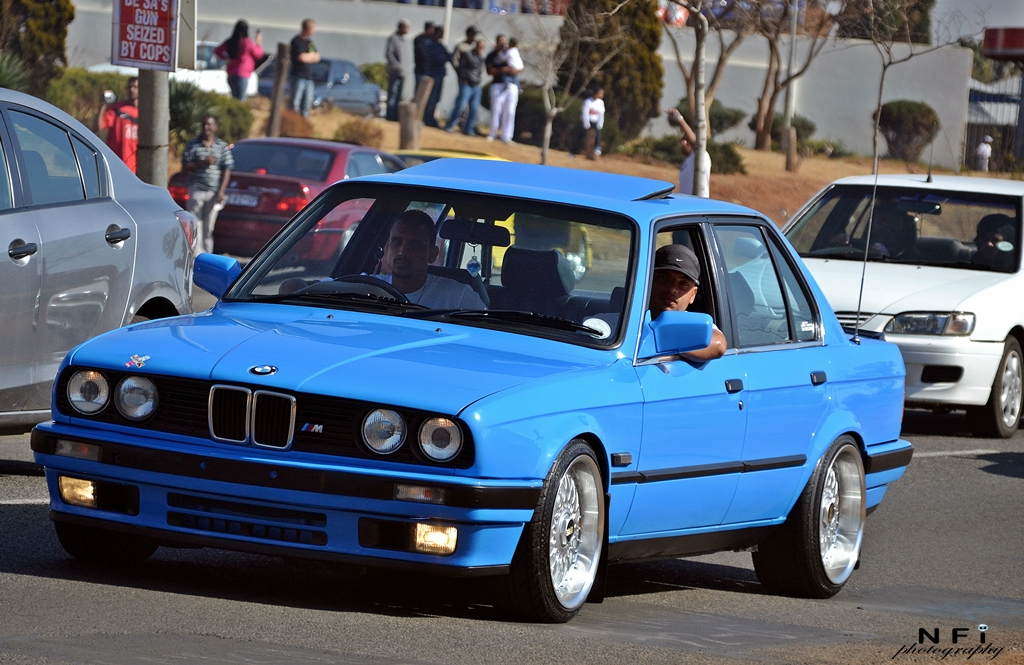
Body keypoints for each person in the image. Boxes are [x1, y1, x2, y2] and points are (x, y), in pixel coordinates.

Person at [375, 210, 487, 309]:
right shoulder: (369, 287)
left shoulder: (458, 297)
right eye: (396, 242)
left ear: (432, 254)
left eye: (415, 245)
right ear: (387, 247)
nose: (402, 252)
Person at [648, 245, 727, 360]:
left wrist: (660, 340)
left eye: (683, 284)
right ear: (648, 281)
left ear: (693, 294)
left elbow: (718, 345)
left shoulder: (691, 324)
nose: (673, 289)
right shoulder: (626, 315)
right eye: (663, 279)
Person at [182, 116, 234, 254]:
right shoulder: (193, 144)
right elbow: (185, 166)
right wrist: (202, 163)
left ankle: (207, 257)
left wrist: (221, 191)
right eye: (204, 124)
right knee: (195, 225)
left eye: (210, 125)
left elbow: (227, 169)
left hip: (213, 192)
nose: (206, 127)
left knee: (208, 228)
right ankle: (196, 256)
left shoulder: (222, 146)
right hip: (196, 189)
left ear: (215, 127)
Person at [445, 34, 485, 135]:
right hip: (466, 84)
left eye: (483, 47)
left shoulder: (481, 58)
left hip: (476, 86)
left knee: (474, 108)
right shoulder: (468, 55)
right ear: (476, 46)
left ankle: (468, 129)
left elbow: (480, 72)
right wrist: (464, 78)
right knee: (460, 105)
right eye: (479, 46)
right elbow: (461, 67)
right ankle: (450, 125)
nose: (481, 49)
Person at [214, 20, 264, 101]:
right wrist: (259, 42)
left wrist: (226, 59)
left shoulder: (231, 41)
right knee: (241, 99)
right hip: (242, 74)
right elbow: (258, 54)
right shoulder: (246, 42)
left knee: (234, 99)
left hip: (231, 74)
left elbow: (217, 50)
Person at [486, 36, 523, 143]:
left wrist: (514, 71)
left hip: (512, 84)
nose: (503, 44)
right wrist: (502, 70)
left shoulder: (511, 52)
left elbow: (520, 66)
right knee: (496, 110)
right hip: (498, 84)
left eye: (504, 42)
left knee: (510, 111)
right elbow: (489, 71)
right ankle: (492, 133)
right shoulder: (492, 55)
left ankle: (506, 136)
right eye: (501, 42)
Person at [666, 108, 710, 197]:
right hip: (687, 201)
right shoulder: (688, 160)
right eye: (682, 140)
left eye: (686, 140)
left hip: (699, 203)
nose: (683, 143)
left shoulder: (701, 156)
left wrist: (679, 118)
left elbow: (696, 143)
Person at [98, 77, 139, 172]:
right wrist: (102, 105)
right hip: (115, 165)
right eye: (129, 87)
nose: (131, 90)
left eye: (135, 87)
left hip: (135, 169)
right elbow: (99, 127)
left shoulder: (146, 114)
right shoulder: (117, 109)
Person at [289, 19, 321, 118]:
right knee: (295, 103)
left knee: (307, 104)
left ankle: (304, 122)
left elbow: (317, 57)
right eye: (313, 29)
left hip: (308, 78)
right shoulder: (296, 41)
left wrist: (308, 56)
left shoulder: (309, 43)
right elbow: (301, 58)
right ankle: (293, 120)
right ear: (308, 29)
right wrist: (310, 56)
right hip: (298, 77)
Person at [421, 27, 450, 128]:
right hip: (433, 74)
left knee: (436, 98)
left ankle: (431, 118)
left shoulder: (440, 45)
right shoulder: (430, 44)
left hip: (440, 74)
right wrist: (441, 57)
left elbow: (447, 56)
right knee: (431, 98)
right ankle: (428, 119)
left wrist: (443, 57)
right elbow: (436, 58)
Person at [384, 19, 410, 122]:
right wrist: (398, 66)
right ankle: (390, 116)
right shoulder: (393, 39)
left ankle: (395, 116)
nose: (408, 30)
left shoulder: (403, 40)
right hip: (394, 72)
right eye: (406, 27)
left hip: (402, 73)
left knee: (398, 96)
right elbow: (389, 54)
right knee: (392, 95)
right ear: (401, 27)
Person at [571, 88, 605, 159]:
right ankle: (574, 152)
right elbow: (585, 113)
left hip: (595, 121)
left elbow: (601, 114)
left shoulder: (601, 102)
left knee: (598, 134)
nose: (602, 95)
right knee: (580, 137)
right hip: (587, 120)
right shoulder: (588, 101)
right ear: (595, 93)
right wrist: (586, 124)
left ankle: (597, 147)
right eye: (600, 93)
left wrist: (600, 124)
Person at [413, 21, 435, 88]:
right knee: (420, 88)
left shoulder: (433, 40)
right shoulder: (419, 39)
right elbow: (421, 53)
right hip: (421, 69)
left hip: (431, 70)